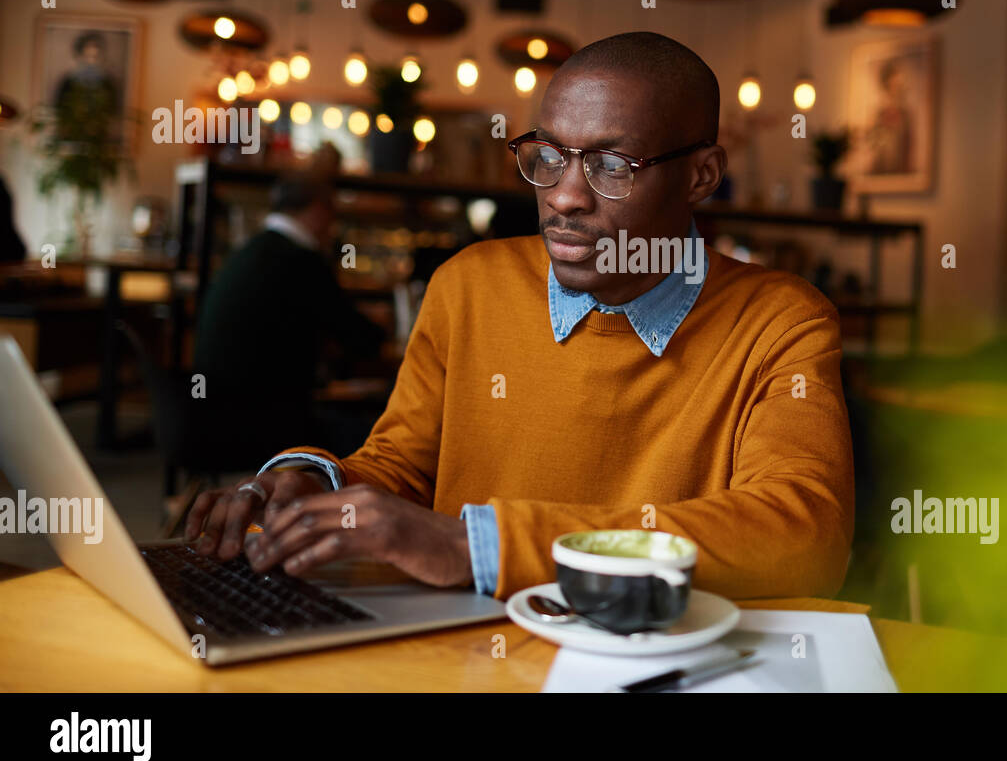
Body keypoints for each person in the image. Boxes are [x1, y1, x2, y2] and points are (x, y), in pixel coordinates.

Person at [186, 32, 854, 602]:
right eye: (551, 156)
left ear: (702, 176)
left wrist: (481, 546)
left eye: (612, 165)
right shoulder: (468, 285)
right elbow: (402, 465)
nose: (564, 197)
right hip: (461, 648)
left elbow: (802, 536)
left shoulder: (780, 320)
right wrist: (309, 486)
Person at [191, 172, 385, 464]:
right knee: (383, 443)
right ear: (319, 210)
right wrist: (386, 323)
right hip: (261, 423)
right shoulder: (301, 260)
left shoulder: (249, 251)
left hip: (212, 413)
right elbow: (362, 339)